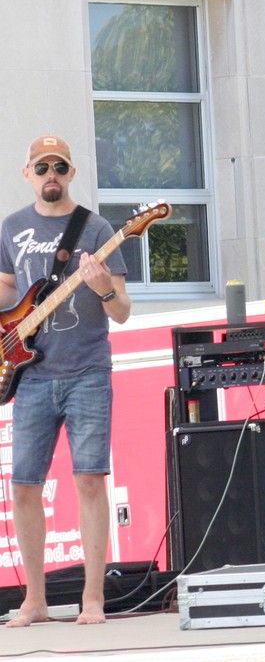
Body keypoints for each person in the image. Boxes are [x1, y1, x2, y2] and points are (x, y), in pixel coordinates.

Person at [0, 135, 131, 627]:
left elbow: (122, 311)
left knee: (89, 480)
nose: (50, 174)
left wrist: (102, 288)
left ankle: (92, 599)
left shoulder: (97, 228)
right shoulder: (12, 227)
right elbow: (8, 292)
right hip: (31, 375)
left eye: (59, 166)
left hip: (87, 372)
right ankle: (34, 600)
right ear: (27, 174)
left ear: (71, 172)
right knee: (24, 486)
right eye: (41, 167)